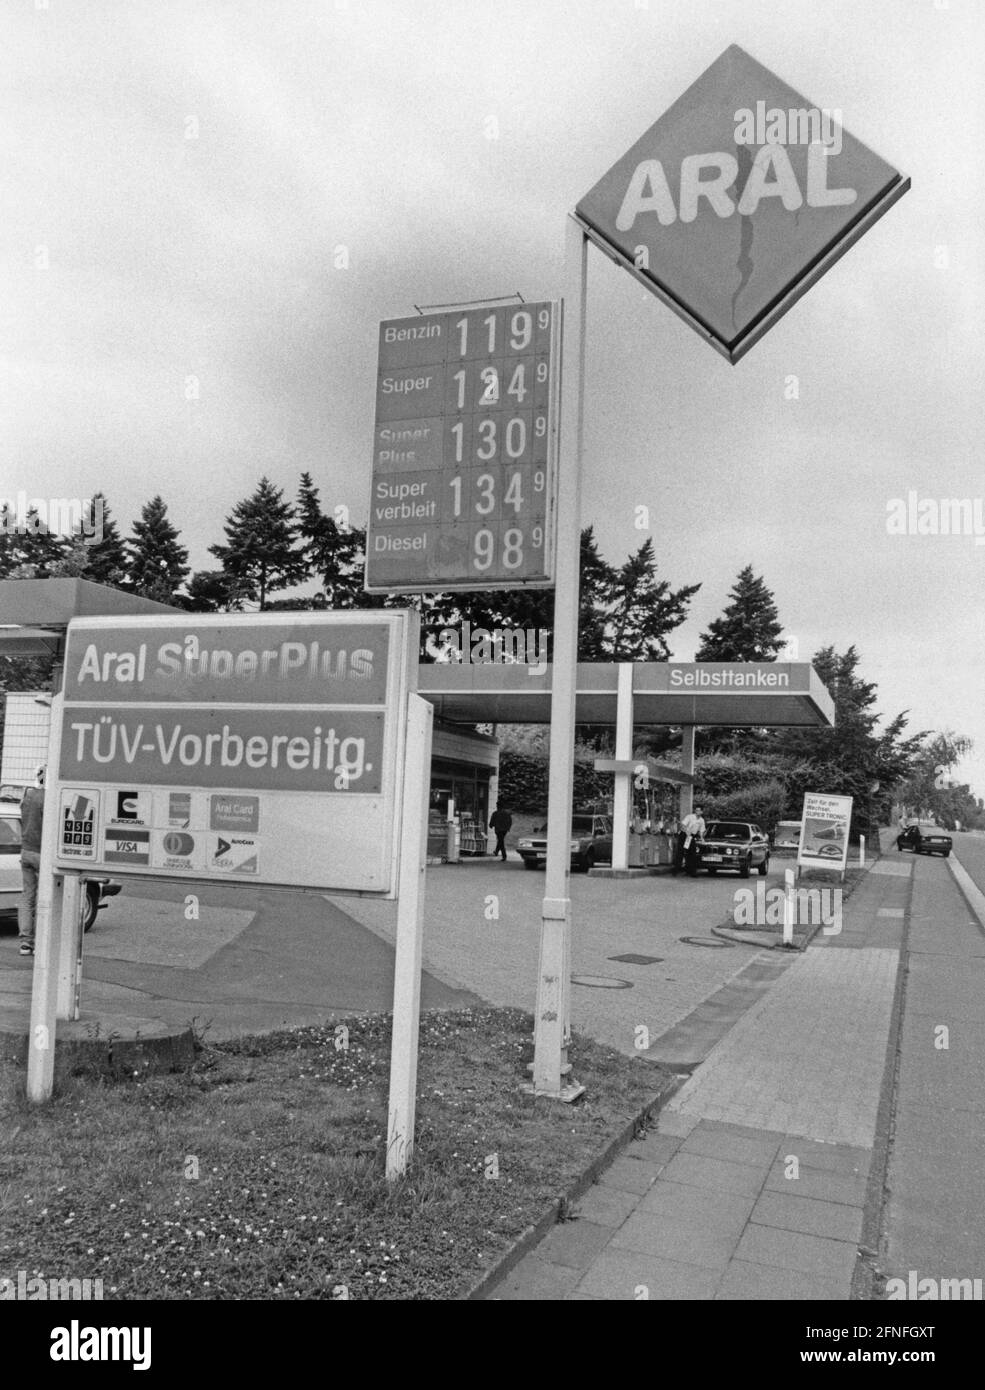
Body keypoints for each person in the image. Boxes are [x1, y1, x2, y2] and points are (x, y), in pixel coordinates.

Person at [18, 768, 45, 957]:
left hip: (25, 850)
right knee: (45, 898)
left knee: (27, 897)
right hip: (42, 852)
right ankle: (43, 942)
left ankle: (26, 943)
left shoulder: (27, 796)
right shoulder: (48, 798)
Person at [681, 804, 707, 877]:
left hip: (691, 836)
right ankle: (685, 869)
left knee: (692, 853)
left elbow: (701, 831)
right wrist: (686, 831)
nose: (697, 812)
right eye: (696, 810)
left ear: (702, 812)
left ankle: (692, 871)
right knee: (684, 852)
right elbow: (683, 825)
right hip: (685, 834)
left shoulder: (701, 820)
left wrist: (702, 839)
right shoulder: (690, 817)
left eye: (699, 810)